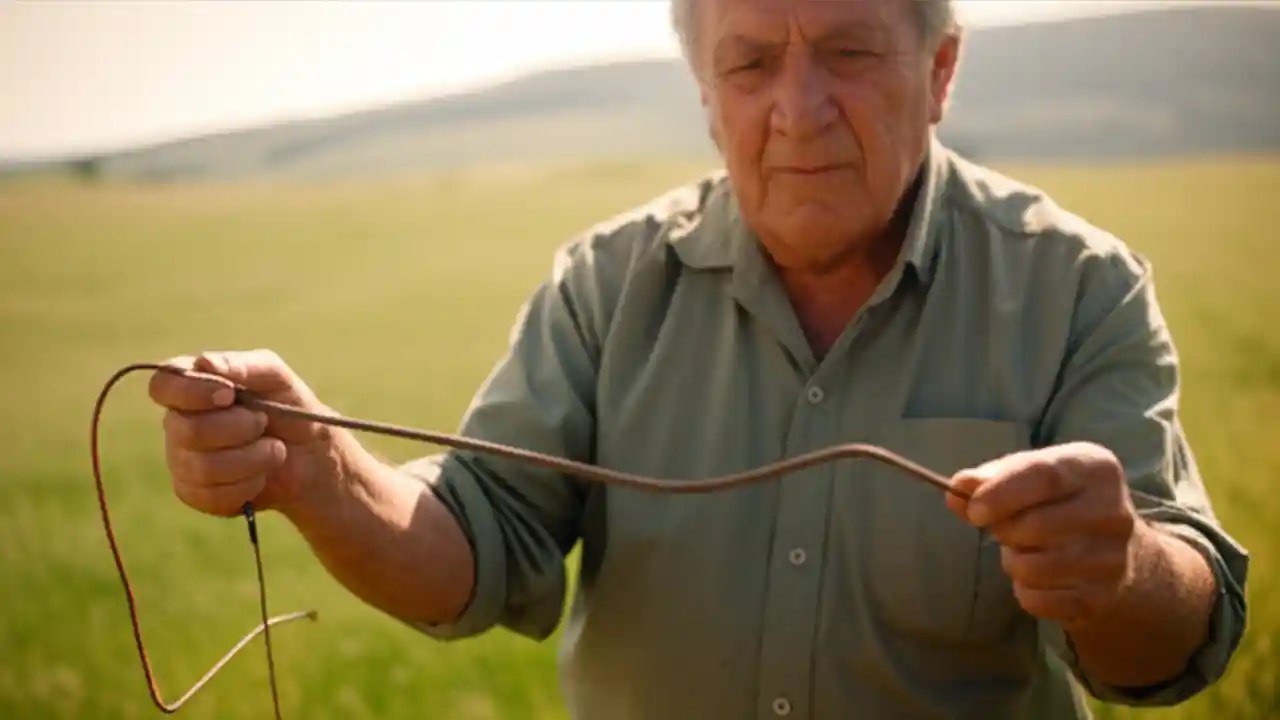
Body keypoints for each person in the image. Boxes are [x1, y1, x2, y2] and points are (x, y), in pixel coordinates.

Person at [147, 0, 1248, 717]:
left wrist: (1121, 570)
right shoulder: (607, 284)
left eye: (849, 52)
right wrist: (320, 473)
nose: (798, 111)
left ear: (940, 70)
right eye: (751, 63)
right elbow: (479, 542)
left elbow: (1175, 640)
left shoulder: (1075, 287)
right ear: (708, 100)